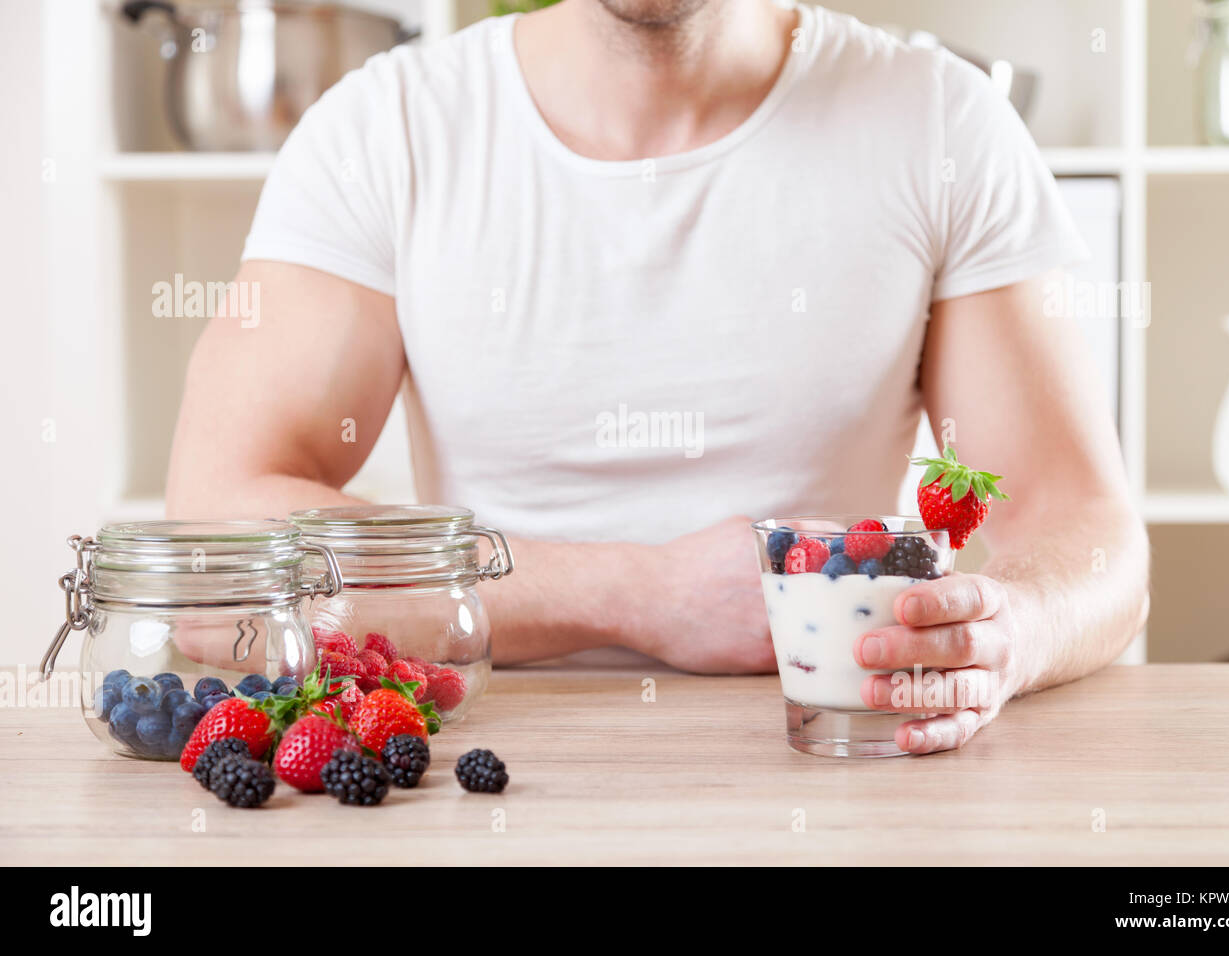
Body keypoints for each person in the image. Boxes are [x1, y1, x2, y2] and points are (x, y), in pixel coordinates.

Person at [166, 0, 1150, 754]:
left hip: (834, 766)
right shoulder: (386, 130)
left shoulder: (939, 121)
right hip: (482, 771)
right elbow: (214, 555)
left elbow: (1084, 532)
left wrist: (1007, 630)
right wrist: (637, 593)